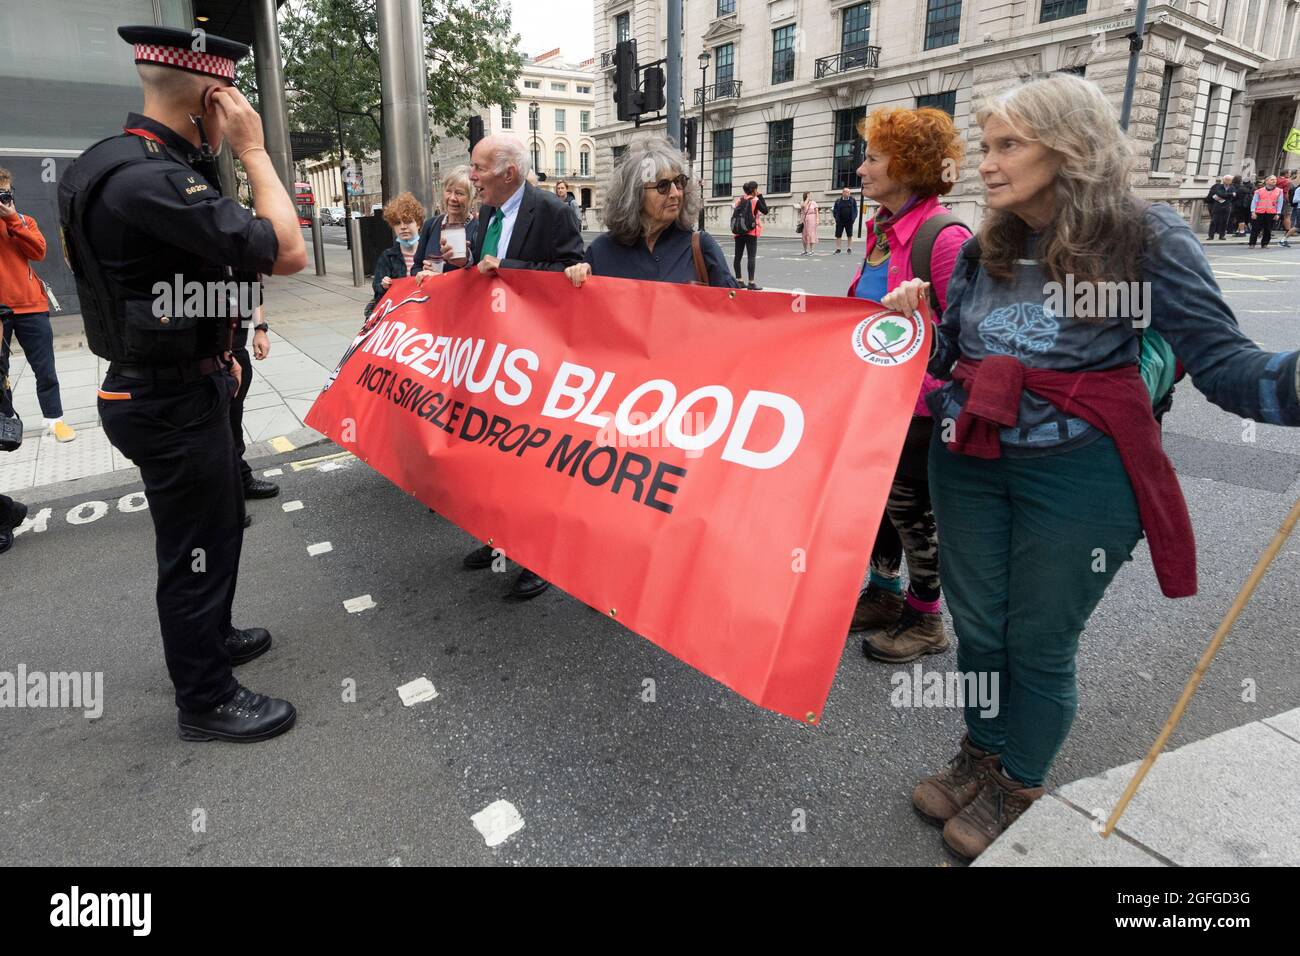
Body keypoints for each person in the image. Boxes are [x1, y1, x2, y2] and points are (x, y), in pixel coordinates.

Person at [882, 72, 1300, 861]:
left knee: (1037, 639)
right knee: (977, 630)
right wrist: (919, 324)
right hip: (968, 460)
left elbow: (1225, 365)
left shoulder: (1146, 235)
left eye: (1010, 145)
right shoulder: (985, 246)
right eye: (988, 145)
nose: (989, 163)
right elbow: (956, 357)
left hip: (1078, 474)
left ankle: (1020, 779)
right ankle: (982, 748)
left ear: (1069, 148)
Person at [59, 26, 307, 742]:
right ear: (212, 100)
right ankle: (205, 698)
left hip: (173, 379)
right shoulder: (156, 179)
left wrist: (221, 343)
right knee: (195, 550)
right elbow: (286, 251)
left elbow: (165, 281)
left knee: (218, 529)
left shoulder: (110, 161)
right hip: (166, 397)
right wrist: (256, 152)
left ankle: (214, 640)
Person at [845, 106, 970, 663]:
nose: (862, 167)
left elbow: (968, 336)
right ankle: (883, 592)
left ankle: (926, 619)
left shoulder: (943, 238)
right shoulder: (881, 230)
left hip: (920, 406)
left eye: (873, 157)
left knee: (912, 510)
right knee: (880, 506)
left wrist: (921, 321)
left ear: (909, 166)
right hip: (875, 399)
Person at [437, 133, 583, 599]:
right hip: (489, 356)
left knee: (531, 464)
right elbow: (474, 273)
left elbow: (572, 278)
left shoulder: (554, 211)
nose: (472, 176)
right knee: (492, 456)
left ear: (509, 173)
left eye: (478, 169)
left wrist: (508, 266)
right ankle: (497, 540)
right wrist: (450, 268)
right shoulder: (486, 213)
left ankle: (539, 558)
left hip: (533, 360)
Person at [563, 134, 736, 288]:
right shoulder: (601, 251)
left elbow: (733, 310)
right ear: (635, 194)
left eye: (679, 182)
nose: (675, 193)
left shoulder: (700, 247)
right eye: (663, 186)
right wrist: (579, 277)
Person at [0, 167, 74, 442]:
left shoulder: (24, 221)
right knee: (0, 370)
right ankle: (5, 422)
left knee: (45, 368)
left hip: (31, 306)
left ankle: (55, 420)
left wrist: (13, 222)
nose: (3, 198)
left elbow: (39, 252)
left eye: (6, 193)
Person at [229, 300, 278, 528]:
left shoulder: (237, 267)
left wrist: (260, 329)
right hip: (206, 355)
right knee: (215, 429)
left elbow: (252, 291)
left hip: (235, 350)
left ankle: (240, 479)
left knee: (232, 422)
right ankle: (222, 499)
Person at [365, 191, 425, 316]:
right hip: (398, 313)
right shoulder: (388, 256)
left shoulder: (429, 253)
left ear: (418, 224)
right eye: (397, 223)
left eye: (408, 221)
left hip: (423, 313)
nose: (403, 227)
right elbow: (377, 287)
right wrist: (383, 285)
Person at [413, 167, 477, 277]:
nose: (452, 198)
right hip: (433, 293)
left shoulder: (479, 228)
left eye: (459, 193)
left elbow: (480, 273)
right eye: (448, 191)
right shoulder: (431, 225)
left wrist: (441, 276)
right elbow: (416, 267)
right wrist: (422, 272)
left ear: (472, 198)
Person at [731, 181, 768, 290]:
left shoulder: (740, 200)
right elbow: (765, 210)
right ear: (754, 190)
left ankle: (739, 280)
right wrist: (760, 196)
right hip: (751, 232)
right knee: (751, 257)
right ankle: (751, 283)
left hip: (739, 231)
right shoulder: (755, 200)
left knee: (738, 256)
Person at [1249, 173, 1285, 248]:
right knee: (1255, 228)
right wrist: (1253, 212)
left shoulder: (1279, 191)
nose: (1274, 181)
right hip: (1259, 212)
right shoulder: (1259, 191)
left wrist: (1278, 213)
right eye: (1272, 179)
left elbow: (1280, 203)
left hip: (1271, 212)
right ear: (1267, 181)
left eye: (1275, 180)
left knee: (1268, 229)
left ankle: (1265, 243)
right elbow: (1254, 202)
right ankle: (1252, 243)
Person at [1206, 174, 1233, 241]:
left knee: (1224, 222)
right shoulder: (1217, 186)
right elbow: (1216, 194)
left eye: (1230, 180)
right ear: (1224, 180)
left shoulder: (1232, 187)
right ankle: (1211, 236)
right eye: (1227, 180)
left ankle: (1222, 236)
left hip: (1227, 206)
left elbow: (1234, 195)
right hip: (1217, 206)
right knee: (1214, 221)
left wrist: (1225, 195)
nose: (1229, 181)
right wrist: (1228, 195)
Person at [832, 186, 857, 254]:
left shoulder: (852, 200)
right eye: (845, 192)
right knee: (838, 235)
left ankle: (849, 248)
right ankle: (838, 248)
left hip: (849, 221)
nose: (847, 193)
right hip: (840, 221)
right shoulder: (838, 201)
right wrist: (836, 218)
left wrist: (853, 218)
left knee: (849, 235)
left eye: (848, 192)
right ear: (842, 193)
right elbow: (835, 210)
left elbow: (855, 210)